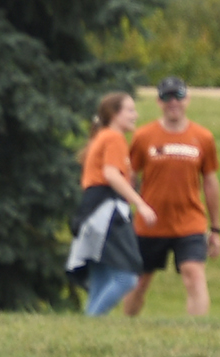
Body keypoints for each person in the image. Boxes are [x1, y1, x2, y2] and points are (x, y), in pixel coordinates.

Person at [123, 77, 220, 317]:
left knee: (193, 275)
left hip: (189, 222)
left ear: (187, 99)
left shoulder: (203, 137)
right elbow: (130, 177)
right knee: (139, 282)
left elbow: (209, 181)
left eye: (178, 96)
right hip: (150, 223)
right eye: (167, 97)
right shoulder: (144, 136)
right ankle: (126, 326)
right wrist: (124, 214)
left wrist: (216, 229)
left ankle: (196, 334)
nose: (173, 102)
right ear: (159, 102)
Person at [66, 92, 157, 317]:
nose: (135, 115)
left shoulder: (103, 137)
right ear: (114, 114)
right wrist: (141, 205)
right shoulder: (114, 138)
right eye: (130, 110)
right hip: (106, 212)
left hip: (92, 210)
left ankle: (87, 332)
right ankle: (90, 326)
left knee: (102, 279)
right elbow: (111, 175)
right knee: (126, 278)